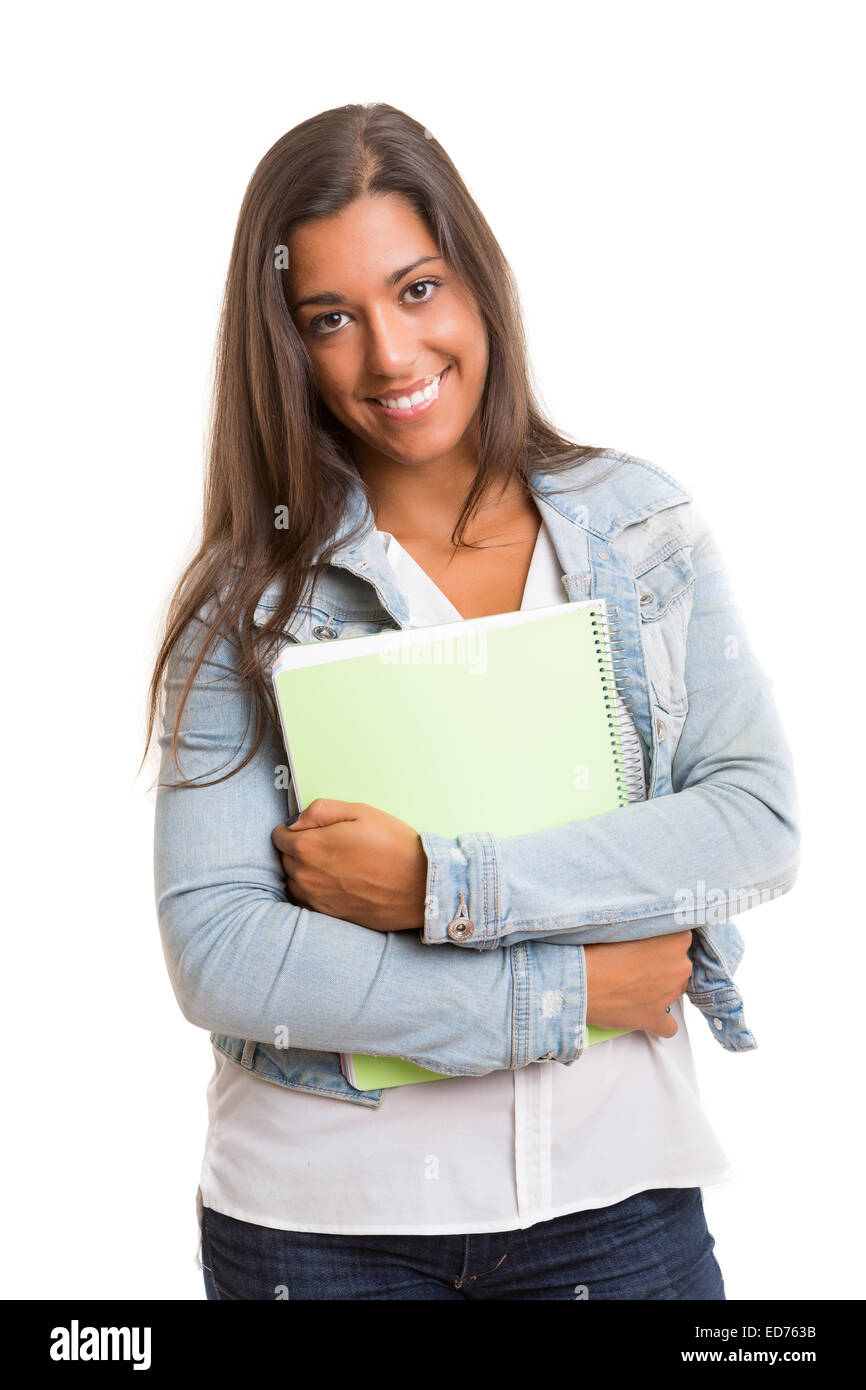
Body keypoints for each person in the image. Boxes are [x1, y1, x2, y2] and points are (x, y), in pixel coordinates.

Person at [145, 102, 801, 1301]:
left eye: (415, 289)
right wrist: (570, 992)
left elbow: (752, 822)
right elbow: (224, 954)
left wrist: (439, 884)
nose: (389, 358)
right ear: (283, 348)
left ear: (476, 283)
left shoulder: (638, 527)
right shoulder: (244, 602)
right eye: (327, 320)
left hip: (612, 1204)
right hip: (319, 1224)